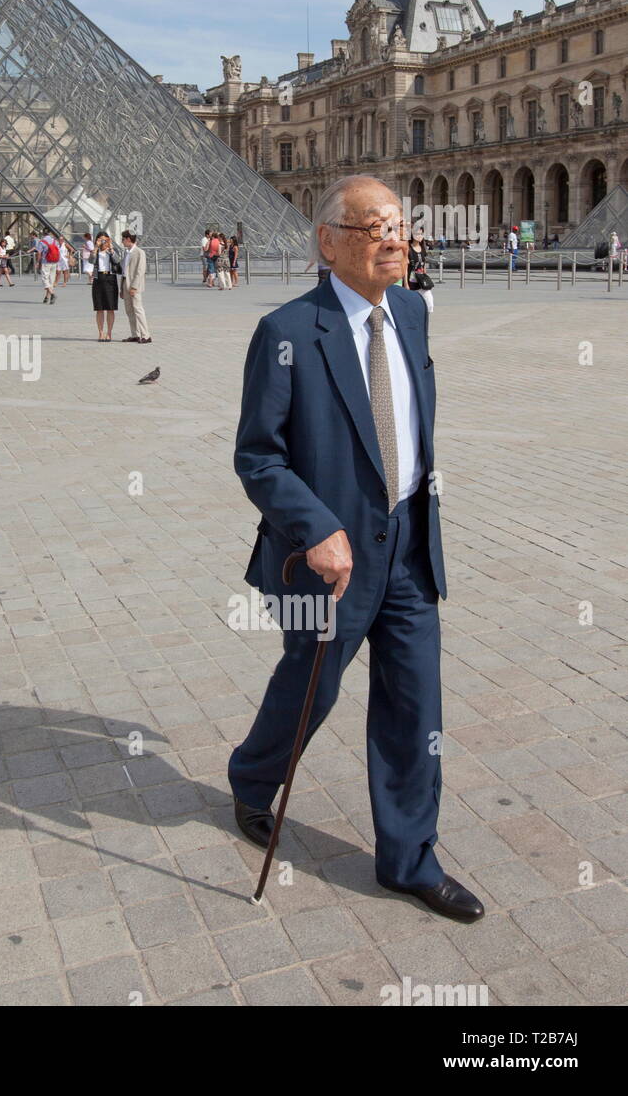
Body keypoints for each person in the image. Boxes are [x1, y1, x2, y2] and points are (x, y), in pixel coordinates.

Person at [228, 174, 481, 924]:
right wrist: (317, 527)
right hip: (326, 559)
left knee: (414, 705)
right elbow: (258, 457)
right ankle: (252, 776)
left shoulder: (410, 310)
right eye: (377, 228)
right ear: (330, 241)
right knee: (312, 688)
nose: (397, 240)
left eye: (401, 226)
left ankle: (409, 860)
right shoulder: (286, 332)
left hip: (408, 544)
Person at [119, 231, 150, 342]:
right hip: (125, 284)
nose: (122, 241)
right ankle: (135, 334)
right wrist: (121, 288)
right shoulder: (127, 253)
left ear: (128, 239)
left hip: (133, 286)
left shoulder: (139, 252)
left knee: (138, 309)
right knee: (129, 310)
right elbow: (123, 270)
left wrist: (134, 287)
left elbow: (140, 271)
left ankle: (146, 335)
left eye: (123, 239)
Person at [90, 230, 120, 342]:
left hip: (110, 279)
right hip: (98, 279)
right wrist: (96, 248)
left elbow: (117, 261)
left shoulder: (112, 251)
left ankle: (109, 333)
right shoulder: (95, 251)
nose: (103, 242)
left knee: (110, 309)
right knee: (99, 309)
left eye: (105, 239)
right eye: (101, 239)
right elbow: (91, 261)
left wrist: (111, 248)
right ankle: (100, 333)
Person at [38, 229, 60, 304]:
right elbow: (58, 251)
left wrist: (38, 262)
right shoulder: (54, 241)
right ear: (49, 233)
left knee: (44, 279)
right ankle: (47, 297)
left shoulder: (42, 242)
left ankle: (53, 294)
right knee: (51, 280)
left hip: (46, 262)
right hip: (54, 262)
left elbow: (39, 252)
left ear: (43, 233)